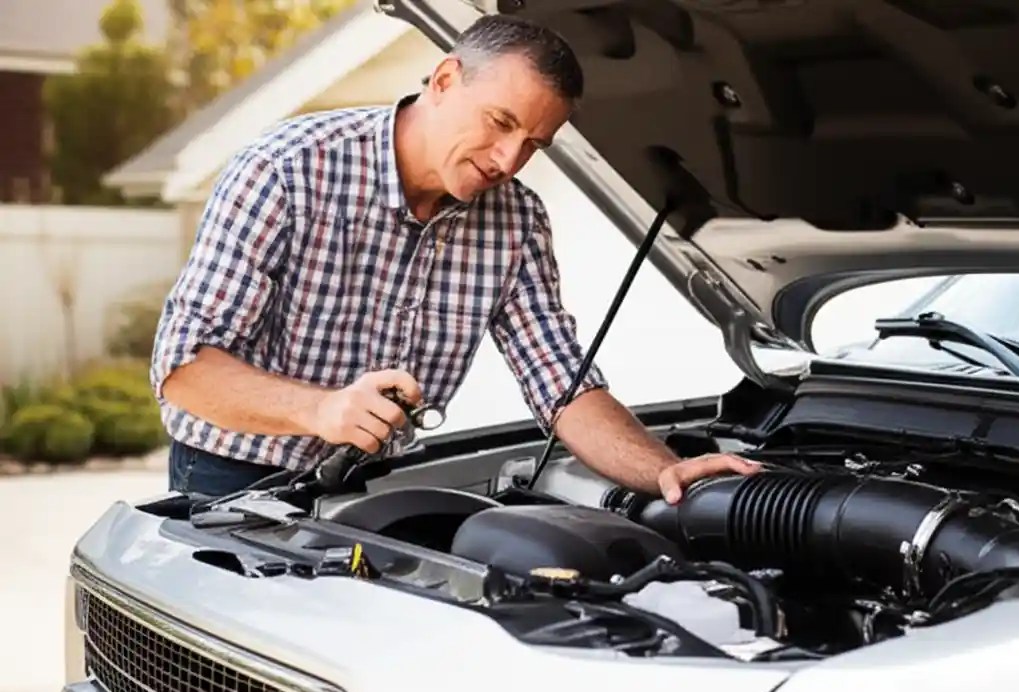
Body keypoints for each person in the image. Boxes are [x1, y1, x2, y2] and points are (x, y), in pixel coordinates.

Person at [151, 14, 760, 503]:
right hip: (230, 478)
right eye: (500, 123)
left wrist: (665, 472)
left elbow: (561, 384)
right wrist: (322, 409)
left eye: (534, 145)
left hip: (365, 485)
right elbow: (182, 369)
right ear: (444, 81)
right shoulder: (286, 170)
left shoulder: (516, 220)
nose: (507, 160)